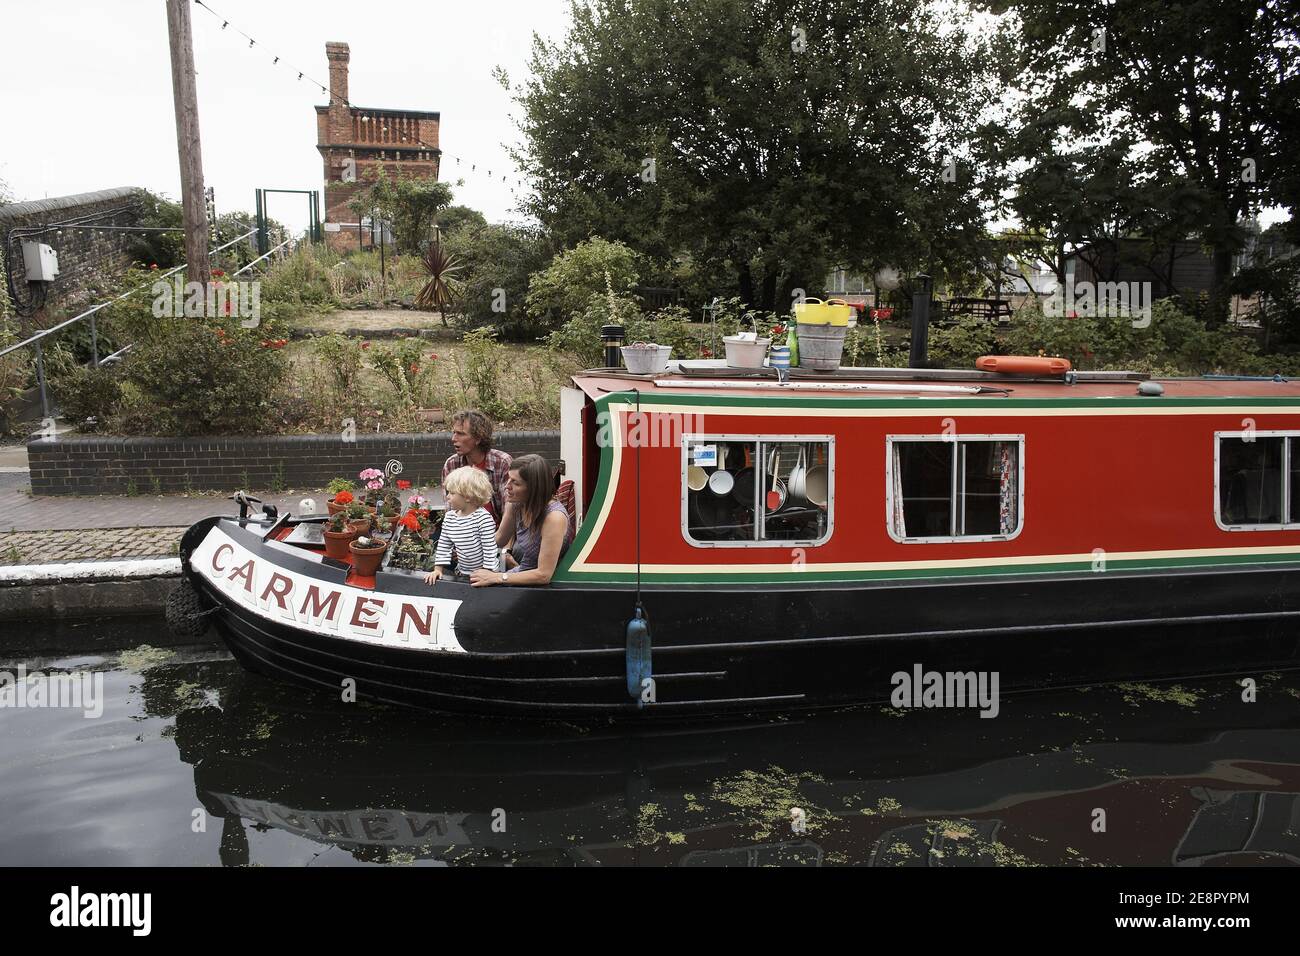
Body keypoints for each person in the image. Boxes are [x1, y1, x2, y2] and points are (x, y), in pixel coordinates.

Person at [469, 454, 572, 588]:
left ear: (535, 488)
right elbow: (499, 539)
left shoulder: (554, 518)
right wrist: (465, 547)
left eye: (515, 483)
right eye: (508, 479)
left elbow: (544, 575)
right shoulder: (516, 504)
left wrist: (496, 577)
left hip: (546, 589)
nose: (507, 486)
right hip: (520, 576)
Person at [423, 467, 499, 585]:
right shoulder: (450, 517)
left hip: (485, 574)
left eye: (452, 493)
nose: (447, 497)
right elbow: (444, 545)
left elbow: (490, 549)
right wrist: (437, 569)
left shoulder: (483, 519)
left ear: (468, 496)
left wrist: (487, 573)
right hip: (462, 572)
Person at [441, 409, 512, 523]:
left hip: (497, 533)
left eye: (461, 433)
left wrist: (498, 540)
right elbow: (450, 510)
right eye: (454, 433)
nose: (453, 439)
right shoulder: (452, 464)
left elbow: (509, 511)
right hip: (464, 534)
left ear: (478, 438)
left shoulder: (502, 463)